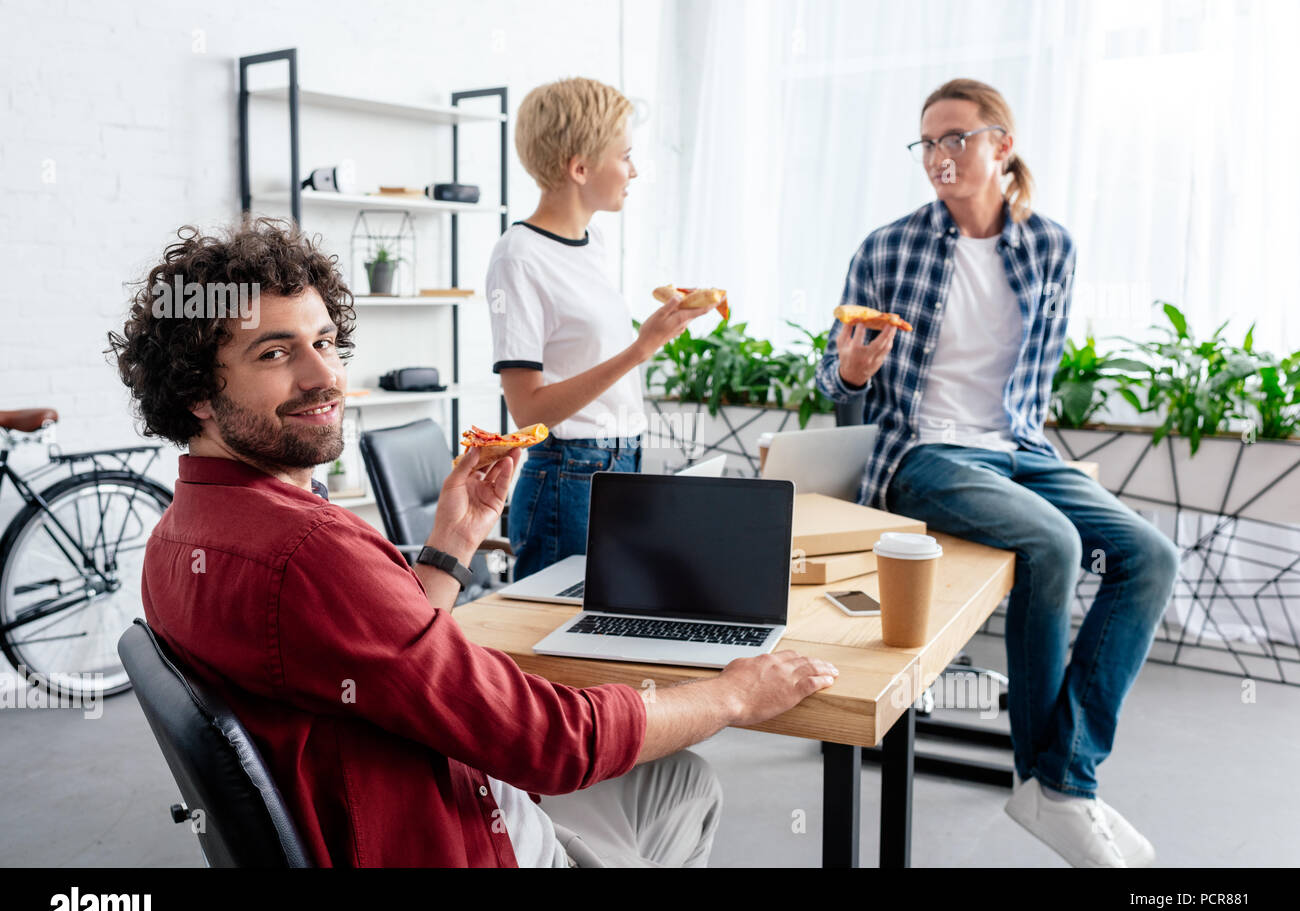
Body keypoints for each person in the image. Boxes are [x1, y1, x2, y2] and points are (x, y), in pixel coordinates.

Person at [109, 218, 838, 867]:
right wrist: (736, 694)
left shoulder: (177, 538)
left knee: (671, 775)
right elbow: (553, 742)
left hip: (404, 797)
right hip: (453, 833)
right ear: (197, 393)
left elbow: (371, 661)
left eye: (325, 341)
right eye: (275, 353)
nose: (324, 374)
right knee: (687, 783)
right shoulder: (308, 549)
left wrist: (452, 543)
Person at [817, 79, 1179, 868]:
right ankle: (1055, 784)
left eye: (955, 139)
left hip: (1017, 447)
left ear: (1000, 146)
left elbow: (1031, 389)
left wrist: (1028, 455)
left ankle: (1061, 781)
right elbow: (834, 381)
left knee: (1152, 556)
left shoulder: (1051, 248)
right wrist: (848, 371)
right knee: (1050, 542)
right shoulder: (886, 247)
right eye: (927, 144)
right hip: (922, 455)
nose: (939, 157)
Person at [487, 77, 715, 579]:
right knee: (553, 645)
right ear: (580, 167)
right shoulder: (518, 256)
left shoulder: (594, 243)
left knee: (610, 625)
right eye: (625, 155)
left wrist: (659, 331)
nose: (633, 170)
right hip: (570, 474)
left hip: (623, 461)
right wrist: (640, 349)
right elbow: (527, 411)